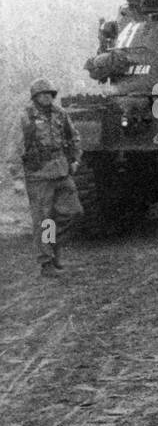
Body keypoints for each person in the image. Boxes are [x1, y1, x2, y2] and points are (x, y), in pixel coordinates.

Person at [14, 79, 83, 278]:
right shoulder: (26, 117)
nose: (47, 96)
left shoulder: (60, 113)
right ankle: (47, 262)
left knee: (73, 212)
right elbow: (15, 147)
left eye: (49, 93)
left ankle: (53, 246)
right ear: (35, 97)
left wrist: (76, 159)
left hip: (61, 170)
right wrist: (17, 177)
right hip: (39, 174)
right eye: (42, 94)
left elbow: (74, 137)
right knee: (44, 220)